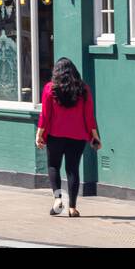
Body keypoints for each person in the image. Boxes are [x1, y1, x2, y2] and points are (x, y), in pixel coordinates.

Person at [35, 57, 100, 217]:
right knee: (72, 169)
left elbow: (45, 115)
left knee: (53, 166)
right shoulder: (83, 90)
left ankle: (57, 200)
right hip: (77, 136)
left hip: (55, 135)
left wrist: (39, 133)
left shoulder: (50, 89)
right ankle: (72, 207)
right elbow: (89, 116)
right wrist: (95, 137)